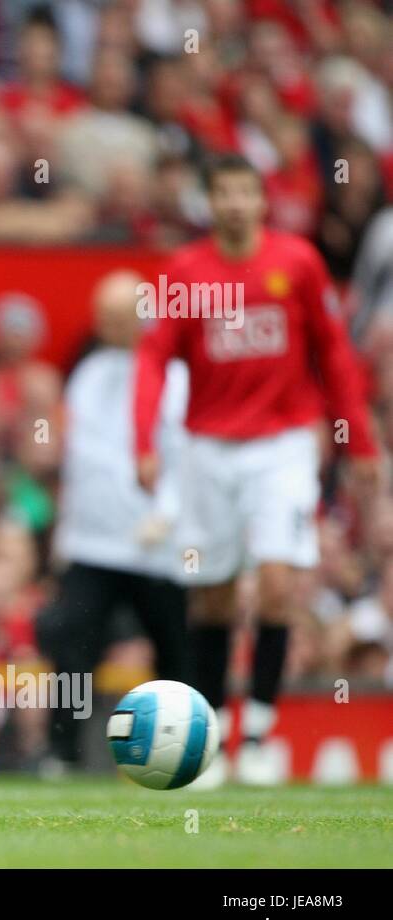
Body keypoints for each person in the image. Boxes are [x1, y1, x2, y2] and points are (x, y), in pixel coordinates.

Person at [133, 153, 381, 786]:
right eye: (225, 193)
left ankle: (262, 732)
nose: (237, 204)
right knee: (212, 592)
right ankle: (212, 731)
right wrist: (145, 441)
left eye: (247, 192)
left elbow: (333, 354)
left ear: (261, 200)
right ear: (210, 201)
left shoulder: (296, 262)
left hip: (283, 445)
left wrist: (361, 444)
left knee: (277, 582)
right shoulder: (186, 271)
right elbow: (155, 358)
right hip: (207, 447)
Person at [35, 269, 189, 773]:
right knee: (72, 648)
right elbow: (82, 461)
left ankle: (186, 746)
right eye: (104, 317)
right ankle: (63, 753)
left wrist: (167, 516)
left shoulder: (176, 377)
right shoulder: (90, 372)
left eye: (118, 317)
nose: (108, 326)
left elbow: (184, 457)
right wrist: (66, 534)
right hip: (92, 545)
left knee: (176, 649)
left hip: (155, 546)